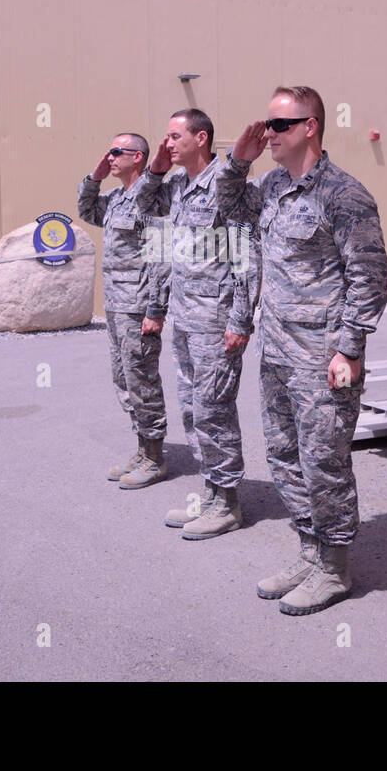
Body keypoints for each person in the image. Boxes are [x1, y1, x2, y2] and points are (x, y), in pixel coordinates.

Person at [217, 86, 387, 615]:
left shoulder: (343, 194)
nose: (268, 134)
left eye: (279, 125)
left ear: (310, 127)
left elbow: (369, 274)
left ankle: (334, 567)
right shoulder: (270, 186)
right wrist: (237, 161)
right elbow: (226, 210)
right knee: (285, 456)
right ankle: (309, 550)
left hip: (322, 355)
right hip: (277, 349)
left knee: (323, 460)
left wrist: (350, 347)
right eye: (267, 124)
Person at [134, 108, 260, 539]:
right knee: (192, 410)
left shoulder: (228, 185)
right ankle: (210, 492)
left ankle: (227, 502)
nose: (167, 143)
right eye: (166, 136)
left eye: (173, 136)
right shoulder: (180, 187)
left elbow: (245, 254)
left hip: (217, 322)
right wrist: (155, 168)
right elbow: (143, 204)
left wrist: (241, 319)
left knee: (214, 410)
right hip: (187, 320)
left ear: (201, 138)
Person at [77, 133, 171, 489]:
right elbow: (86, 210)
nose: (110, 156)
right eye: (109, 150)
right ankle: (142, 446)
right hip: (116, 307)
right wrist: (95, 177)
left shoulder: (151, 201)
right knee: (123, 378)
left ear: (138, 158)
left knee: (142, 380)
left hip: (138, 308)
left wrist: (156, 309)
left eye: (117, 152)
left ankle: (154, 457)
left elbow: (161, 258)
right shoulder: (116, 198)